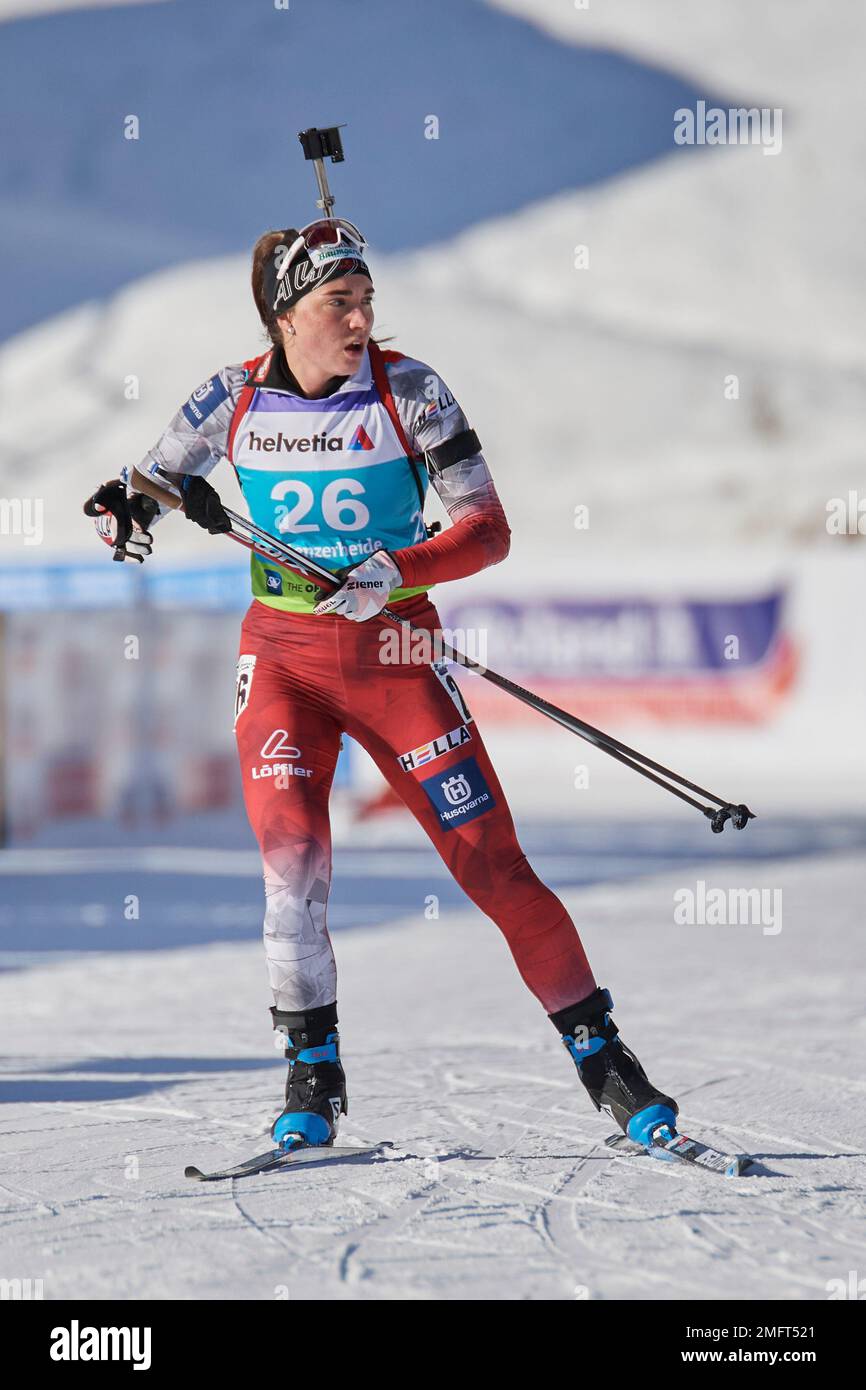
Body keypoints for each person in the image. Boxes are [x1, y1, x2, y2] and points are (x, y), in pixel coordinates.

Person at [85, 218, 678, 1151]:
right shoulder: (227, 400)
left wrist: (394, 571)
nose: (362, 319)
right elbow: (153, 482)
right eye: (339, 302)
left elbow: (487, 531)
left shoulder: (410, 391)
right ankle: (311, 1078)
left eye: (368, 300)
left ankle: (605, 1059)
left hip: (395, 657)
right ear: (287, 314)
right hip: (282, 660)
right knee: (292, 872)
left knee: (492, 862)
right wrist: (123, 509)